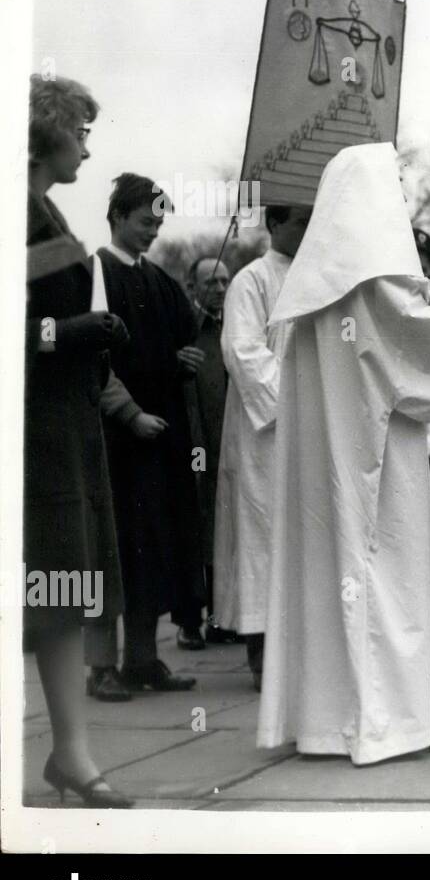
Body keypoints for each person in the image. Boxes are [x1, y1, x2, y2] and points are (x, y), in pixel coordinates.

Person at [257, 143, 430, 764]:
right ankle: (385, 722)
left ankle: (330, 720)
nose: (404, 203)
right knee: (386, 573)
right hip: (379, 460)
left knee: (334, 574)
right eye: (399, 192)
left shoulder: (314, 285)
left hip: (328, 466)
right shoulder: (375, 279)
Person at [25, 74, 132, 806]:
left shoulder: (46, 211)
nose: (89, 150)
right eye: (82, 133)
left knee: (62, 588)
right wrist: (69, 331)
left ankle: (70, 751)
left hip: (63, 427)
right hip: (29, 432)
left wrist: (84, 336)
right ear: (48, 130)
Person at [87, 174, 204, 696]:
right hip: (112, 437)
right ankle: (99, 667)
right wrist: (130, 413)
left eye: (158, 223)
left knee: (153, 547)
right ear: (116, 217)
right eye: (143, 222)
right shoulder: (94, 271)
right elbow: (92, 357)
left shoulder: (157, 278)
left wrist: (182, 358)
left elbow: (181, 333)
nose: (152, 231)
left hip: (160, 438)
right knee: (109, 550)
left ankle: (142, 658)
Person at [212, 205, 311, 688]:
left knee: (306, 535)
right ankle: (263, 656)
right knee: (262, 533)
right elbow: (242, 350)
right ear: (275, 225)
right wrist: (289, 402)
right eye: (299, 221)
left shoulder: (323, 276)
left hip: (313, 426)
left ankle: (307, 654)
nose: (309, 230)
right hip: (265, 429)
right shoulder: (251, 281)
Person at [182, 256, 233, 646]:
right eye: (211, 282)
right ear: (192, 286)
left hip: (228, 439)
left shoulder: (233, 325)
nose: (219, 289)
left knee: (224, 527)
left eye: (224, 281)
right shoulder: (186, 329)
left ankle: (220, 618)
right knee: (197, 526)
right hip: (195, 441)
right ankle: (189, 622)